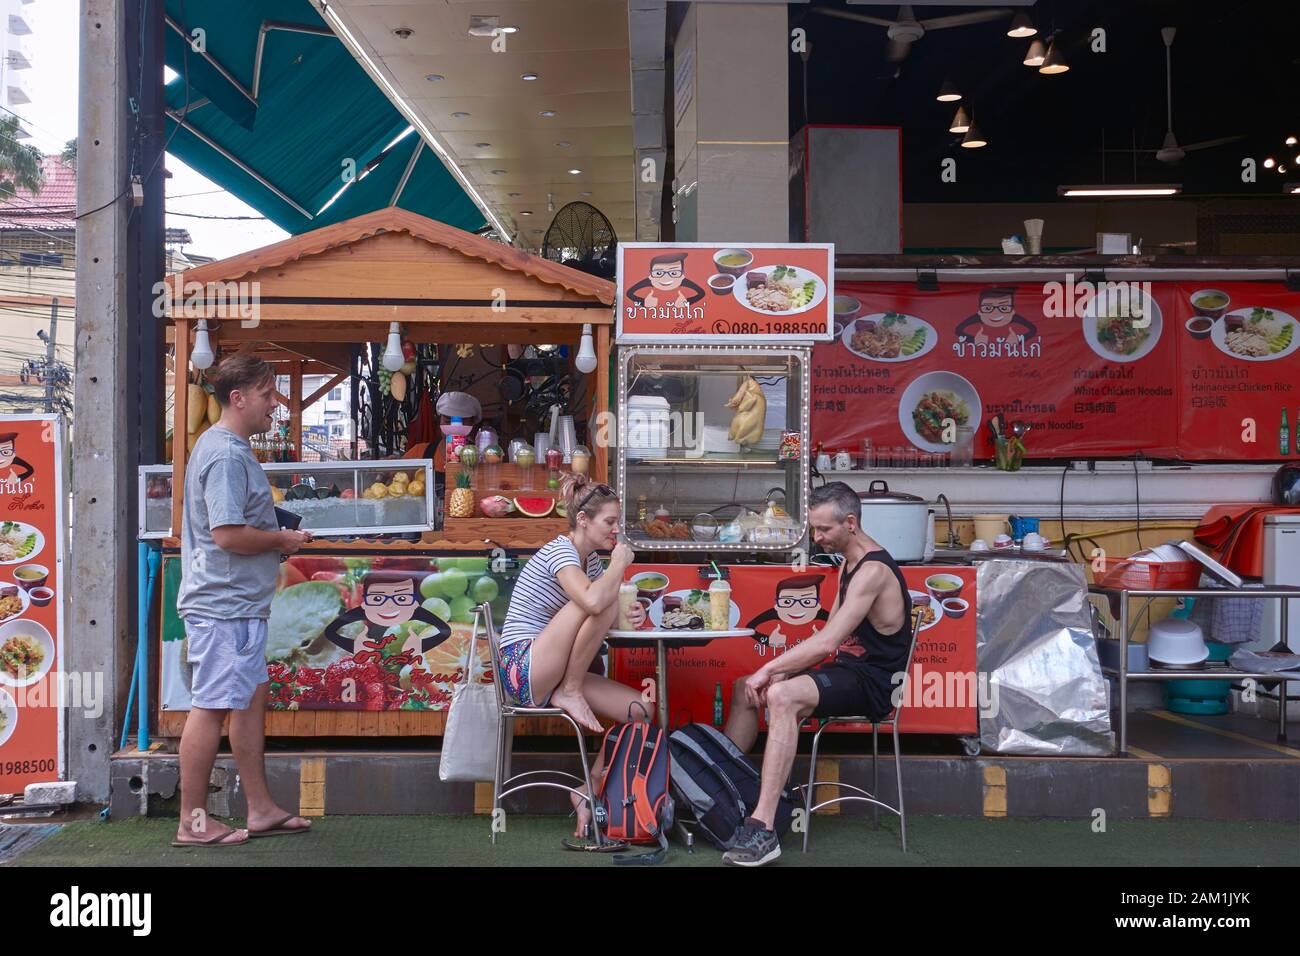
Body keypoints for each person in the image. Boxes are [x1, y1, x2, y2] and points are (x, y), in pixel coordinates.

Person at [720, 481, 913, 867]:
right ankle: (727, 793)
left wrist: (772, 668)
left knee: (780, 694)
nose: (817, 537)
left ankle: (763, 828)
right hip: (849, 671)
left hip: (876, 684)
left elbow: (827, 644)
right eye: (814, 529)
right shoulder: (849, 563)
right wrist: (776, 672)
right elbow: (828, 638)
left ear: (851, 523)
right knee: (748, 687)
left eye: (824, 529)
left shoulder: (874, 570)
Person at [173, 354, 315, 847]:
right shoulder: (229, 455)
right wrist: (281, 541)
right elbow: (229, 535)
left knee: (250, 703)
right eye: (268, 395)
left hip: (239, 605)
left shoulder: (226, 448)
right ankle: (192, 823)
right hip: (223, 606)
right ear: (238, 398)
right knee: (212, 707)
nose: (275, 405)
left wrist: (274, 530)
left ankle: (260, 809)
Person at [497, 475, 648, 836]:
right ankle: (572, 690)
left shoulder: (592, 563)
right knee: (603, 599)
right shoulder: (561, 552)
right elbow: (595, 602)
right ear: (583, 520)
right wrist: (619, 565)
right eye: (609, 522)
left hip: (558, 669)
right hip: (524, 667)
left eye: (617, 523)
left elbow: (603, 614)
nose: (615, 531)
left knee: (641, 712)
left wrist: (634, 614)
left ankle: (589, 789)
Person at [322, 571, 452, 657]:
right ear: (365, 603)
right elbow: (330, 632)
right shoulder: (361, 612)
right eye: (378, 598)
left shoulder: (415, 612)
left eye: (401, 598)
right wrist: (353, 646)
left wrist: (422, 645)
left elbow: (445, 630)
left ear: (414, 603)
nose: (389, 605)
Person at [954, 286, 1039, 346]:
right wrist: (972, 340)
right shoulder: (977, 318)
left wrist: (1020, 339)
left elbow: (1033, 329)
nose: (996, 312)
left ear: (1012, 311)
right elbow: (958, 330)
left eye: (1003, 308)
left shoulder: (1014, 318)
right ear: (979, 311)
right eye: (988, 308)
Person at [623, 252, 706, 309]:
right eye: (659, 273)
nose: (666, 278)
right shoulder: (650, 280)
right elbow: (629, 293)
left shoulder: (681, 280)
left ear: (682, 275)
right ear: (650, 275)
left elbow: (701, 293)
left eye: (673, 273)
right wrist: (643, 302)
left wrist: (687, 302)